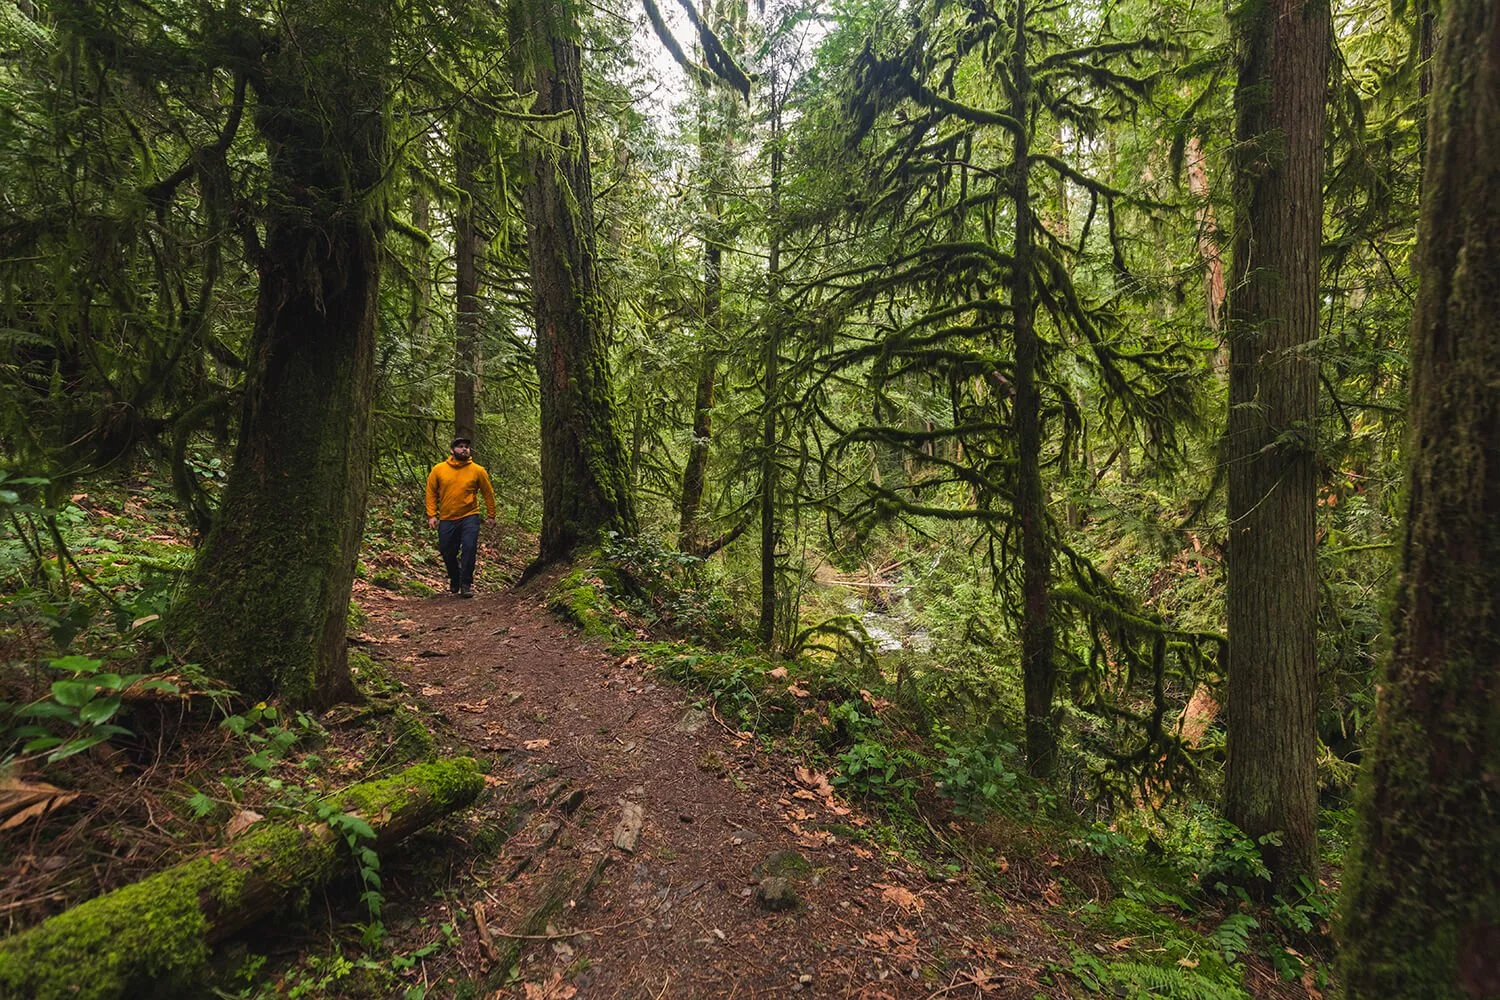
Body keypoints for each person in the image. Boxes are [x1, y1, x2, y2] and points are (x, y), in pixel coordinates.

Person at [424, 437, 497, 597]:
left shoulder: (478, 470)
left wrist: (491, 515)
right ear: (452, 450)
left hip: (469, 516)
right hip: (447, 517)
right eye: (460, 446)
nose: (464, 449)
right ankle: (455, 577)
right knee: (447, 551)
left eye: (466, 447)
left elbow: (488, 493)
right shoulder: (439, 469)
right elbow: (430, 492)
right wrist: (431, 515)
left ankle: (466, 584)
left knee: (469, 548)